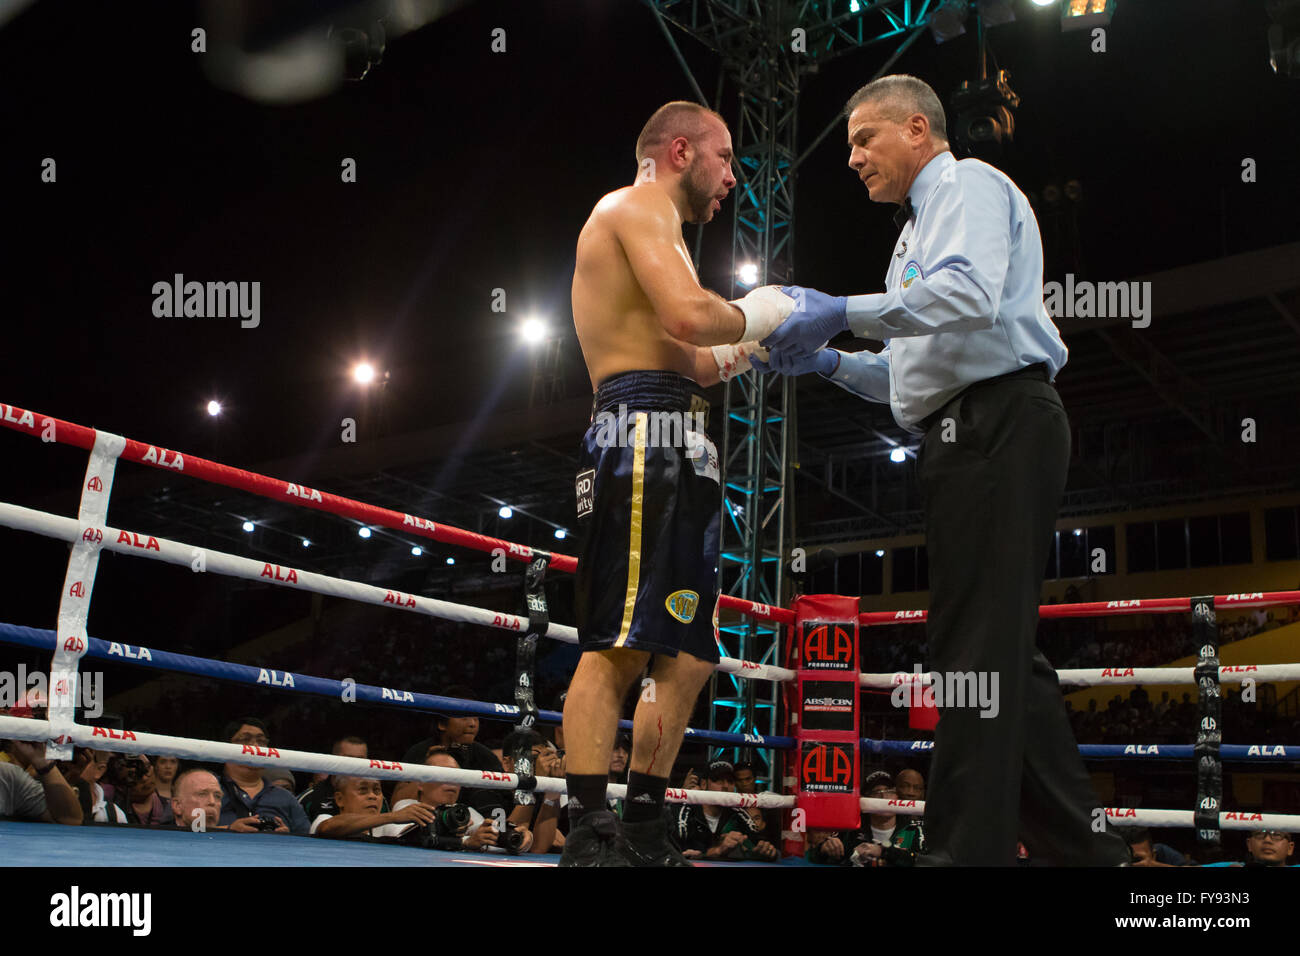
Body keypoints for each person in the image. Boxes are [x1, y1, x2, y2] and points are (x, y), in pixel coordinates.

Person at [758, 74, 1126, 867]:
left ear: (917, 129)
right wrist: (827, 359)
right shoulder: (910, 237)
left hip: (1001, 419)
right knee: (1000, 654)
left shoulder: (968, 184)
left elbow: (967, 295)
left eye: (864, 139)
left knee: (974, 653)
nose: (851, 157)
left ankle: (964, 853)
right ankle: (1087, 855)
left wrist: (840, 309)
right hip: (963, 433)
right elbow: (905, 372)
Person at [562, 99, 794, 868]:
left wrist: (761, 342)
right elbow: (693, 320)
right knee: (622, 643)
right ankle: (589, 832)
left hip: (678, 436)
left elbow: (694, 358)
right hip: (637, 433)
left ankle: (644, 822)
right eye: (726, 159)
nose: (733, 178)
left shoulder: (666, 236)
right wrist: (759, 310)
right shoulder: (633, 207)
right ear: (682, 149)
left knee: (689, 653)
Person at [667, 760, 779, 862]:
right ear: (704, 784)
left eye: (730, 781)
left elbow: (760, 844)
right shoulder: (684, 811)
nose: (725, 786)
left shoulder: (739, 813)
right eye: (718, 780)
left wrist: (765, 852)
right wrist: (716, 851)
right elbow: (671, 851)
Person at [217, 718, 311, 835]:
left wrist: (288, 838)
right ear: (224, 748)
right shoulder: (208, 788)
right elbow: (191, 828)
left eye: (261, 741)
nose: (255, 746)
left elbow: (306, 839)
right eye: (245, 739)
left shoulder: (285, 797)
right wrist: (228, 829)